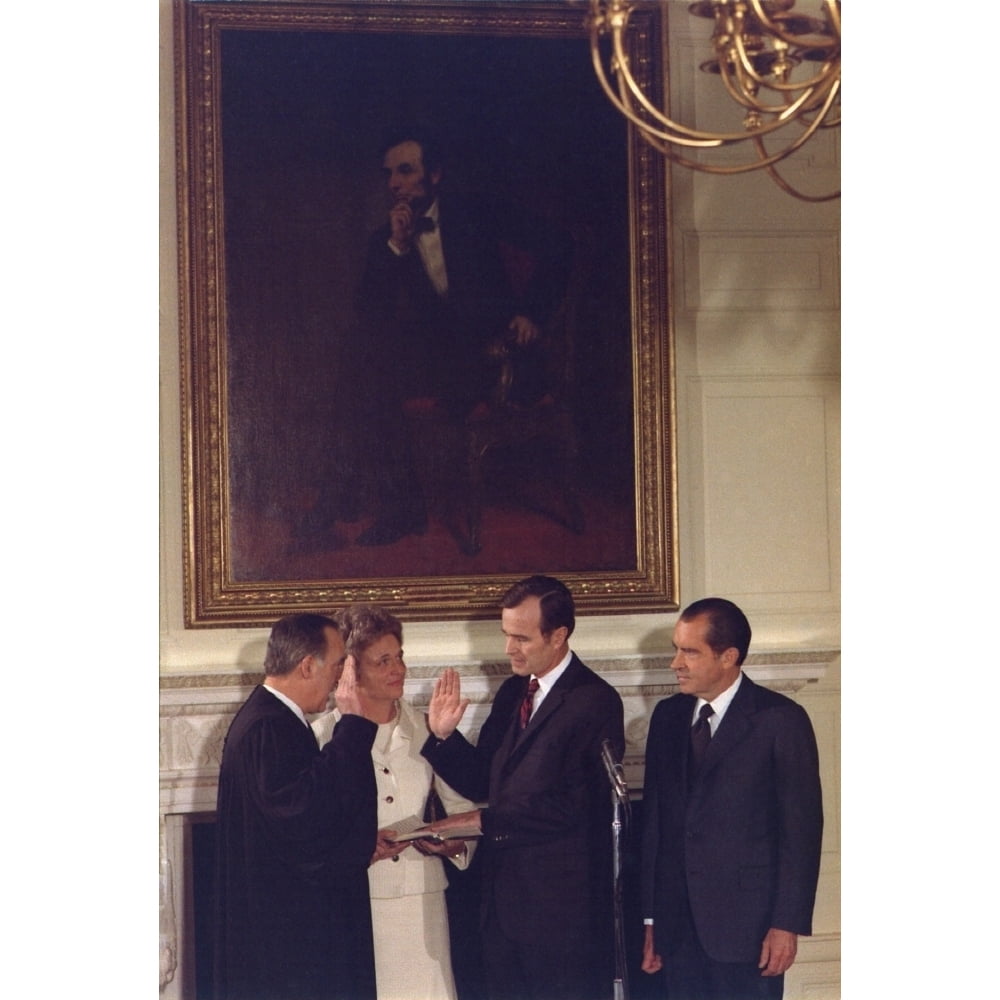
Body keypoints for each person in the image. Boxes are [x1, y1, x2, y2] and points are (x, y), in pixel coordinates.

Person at [312, 126, 571, 548]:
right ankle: (375, 503)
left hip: (499, 357)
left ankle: (348, 499)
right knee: (361, 356)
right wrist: (397, 246)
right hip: (446, 363)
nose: (394, 183)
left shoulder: (478, 212)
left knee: (368, 368)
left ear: (434, 175)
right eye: (388, 174)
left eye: (405, 171)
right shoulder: (388, 236)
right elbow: (369, 316)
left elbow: (559, 245)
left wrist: (532, 313)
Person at [420, 574, 625, 1000]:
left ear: (558, 635)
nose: (508, 648)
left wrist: (480, 822)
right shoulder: (514, 691)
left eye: (521, 638)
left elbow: (574, 805)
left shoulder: (596, 700)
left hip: (560, 919)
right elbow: (484, 779)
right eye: (506, 634)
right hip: (502, 910)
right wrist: (443, 736)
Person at [639, 597, 824, 1000]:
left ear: (728, 657)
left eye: (690, 652)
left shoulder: (781, 720)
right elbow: (654, 825)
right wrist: (652, 920)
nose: (675, 663)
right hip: (677, 930)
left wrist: (786, 924)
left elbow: (801, 834)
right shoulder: (668, 717)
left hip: (750, 931)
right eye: (676, 649)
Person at [311, 605, 479, 1000]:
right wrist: (359, 847)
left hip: (424, 903)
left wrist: (453, 845)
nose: (398, 669)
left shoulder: (428, 728)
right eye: (382, 661)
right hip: (359, 900)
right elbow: (311, 832)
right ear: (350, 670)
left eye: (399, 657)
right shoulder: (321, 736)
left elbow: (463, 812)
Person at [212, 612, 379, 1000]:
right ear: (307, 666)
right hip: (287, 939)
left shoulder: (272, 719)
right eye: (337, 666)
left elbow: (300, 813)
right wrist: (353, 726)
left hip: (280, 926)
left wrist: (359, 843)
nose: (339, 680)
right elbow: (303, 818)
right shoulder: (269, 726)